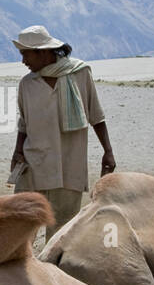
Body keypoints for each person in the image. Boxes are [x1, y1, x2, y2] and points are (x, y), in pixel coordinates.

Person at [8, 25, 115, 240]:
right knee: (21, 225)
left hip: (69, 163)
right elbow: (24, 123)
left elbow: (96, 115)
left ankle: (54, 272)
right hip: (34, 164)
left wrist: (108, 151)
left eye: (26, 54)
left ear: (43, 52)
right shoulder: (27, 84)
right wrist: (17, 151)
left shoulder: (80, 74)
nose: (23, 61)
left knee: (61, 232)